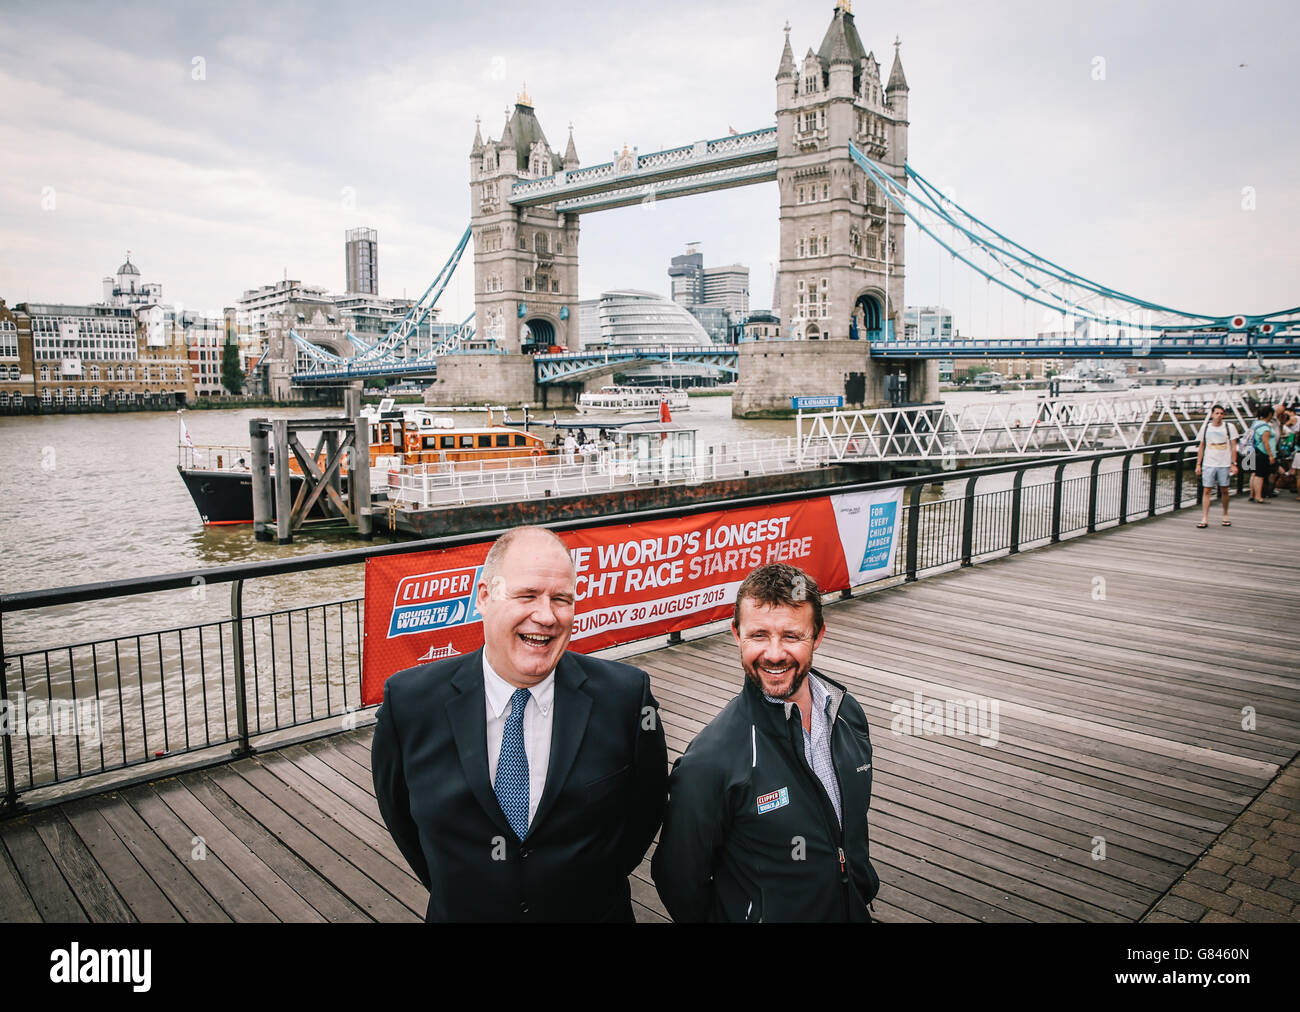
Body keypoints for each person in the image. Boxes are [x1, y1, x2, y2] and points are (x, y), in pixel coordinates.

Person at [371, 525, 668, 921]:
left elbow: (644, 812)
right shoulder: (409, 703)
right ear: (484, 597)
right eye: (527, 595)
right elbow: (402, 818)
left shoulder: (627, 698)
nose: (546, 616)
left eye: (561, 599)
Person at [652, 563, 881, 922]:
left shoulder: (846, 714)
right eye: (758, 635)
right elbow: (678, 878)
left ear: (818, 635)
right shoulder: (710, 761)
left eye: (792, 636)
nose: (774, 654)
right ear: (736, 634)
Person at [1194, 404, 1237, 528]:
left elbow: (1233, 446)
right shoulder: (1206, 428)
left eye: (1221, 413)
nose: (1219, 416)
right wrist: (1198, 464)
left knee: (1224, 489)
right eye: (1217, 413)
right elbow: (1201, 446)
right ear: (1212, 414)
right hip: (1209, 463)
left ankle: (1225, 514)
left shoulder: (1229, 427)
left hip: (1224, 463)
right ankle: (1205, 517)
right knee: (1207, 490)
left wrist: (1234, 463)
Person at [1249, 405, 1275, 504]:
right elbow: (1266, 442)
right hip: (1262, 452)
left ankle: (1252, 494)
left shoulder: (1255, 423)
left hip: (1254, 451)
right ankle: (1258, 496)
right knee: (1260, 475)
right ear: (1269, 414)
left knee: (1254, 473)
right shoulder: (1265, 427)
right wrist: (1271, 455)